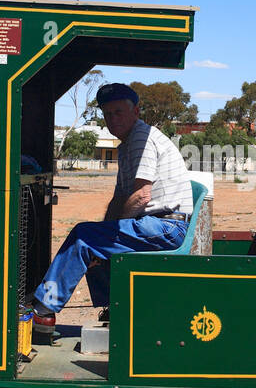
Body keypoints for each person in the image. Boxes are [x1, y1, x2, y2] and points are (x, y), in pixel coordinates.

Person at [31, 83, 194, 331]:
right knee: (93, 239)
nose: (113, 119)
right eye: (108, 114)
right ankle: (116, 311)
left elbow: (141, 196)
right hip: (154, 224)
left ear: (136, 112)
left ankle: (43, 310)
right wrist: (105, 232)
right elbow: (120, 198)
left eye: (119, 112)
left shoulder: (142, 137)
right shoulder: (127, 145)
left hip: (166, 226)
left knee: (83, 237)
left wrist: (107, 234)